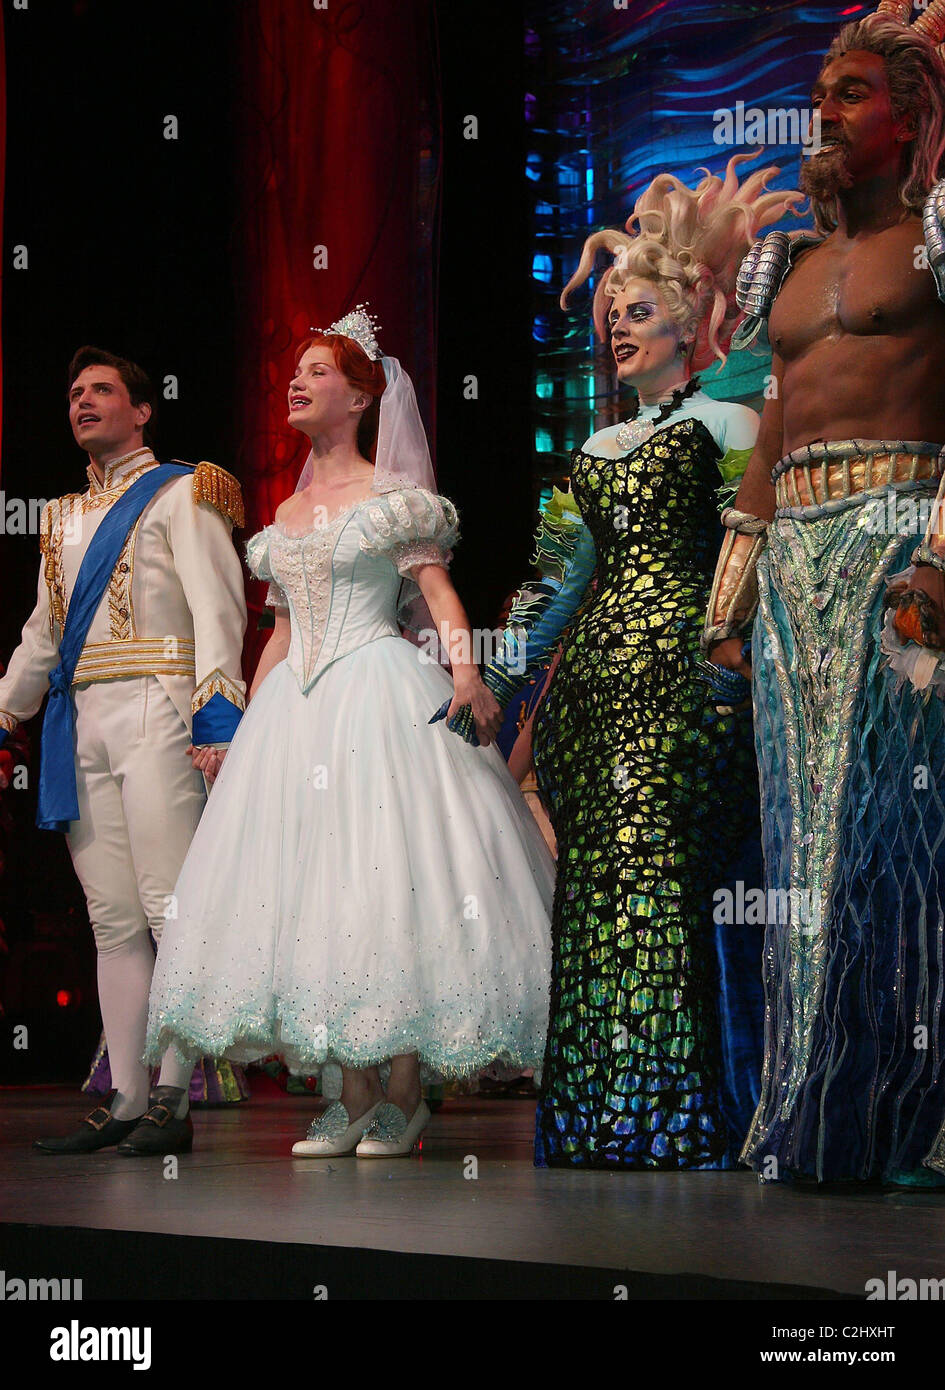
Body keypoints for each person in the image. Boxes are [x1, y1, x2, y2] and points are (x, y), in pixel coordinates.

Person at [441, 158, 801, 1168]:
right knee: (600, 894)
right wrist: (498, 682)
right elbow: (553, 583)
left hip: (686, 694)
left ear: (692, 322)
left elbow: (755, 551)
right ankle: (605, 1114)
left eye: (639, 309)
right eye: (611, 314)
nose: (619, 326)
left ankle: (689, 1112)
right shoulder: (596, 449)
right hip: (593, 703)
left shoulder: (734, 426)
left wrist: (745, 673)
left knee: (670, 895)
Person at [144, 308, 555, 1158]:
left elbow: (438, 596)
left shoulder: (392, 500)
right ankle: (351, 1093)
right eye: (294, 371)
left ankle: (403, 1092)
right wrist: (246, 728)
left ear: (362, 395)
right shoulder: (287, 510)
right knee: (314, 896)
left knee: (383, 883)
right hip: (296, 712)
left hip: (376, 694)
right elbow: (283, 633)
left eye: (318, 371)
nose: (297, 383)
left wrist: (467, 671)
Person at [706, 5, 945, 1184]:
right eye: (824, 93)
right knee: (800, 841)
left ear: (911, 119)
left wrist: (940, 559)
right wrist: (727, 606)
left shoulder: (942, 237)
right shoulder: (788, 269)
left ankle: (909, 1107)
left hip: (903, 548)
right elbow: (768, 433)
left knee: (896, 833)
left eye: (854, 93)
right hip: (793, 555)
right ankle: (810, 1105)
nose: (829, 112)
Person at [0, 346, 247, 1155]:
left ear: (142, 411)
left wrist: (217, 717)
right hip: (81, 721)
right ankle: (129, 1100)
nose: (83, 401)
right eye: (74, 392)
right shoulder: (61, 515)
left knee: (166, 906)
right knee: (111, 921)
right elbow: (44, 633)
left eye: (102, 390)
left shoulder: (183, 488)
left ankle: (175, 1094)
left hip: (158, 706)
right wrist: (6, 714)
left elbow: (219, 608)